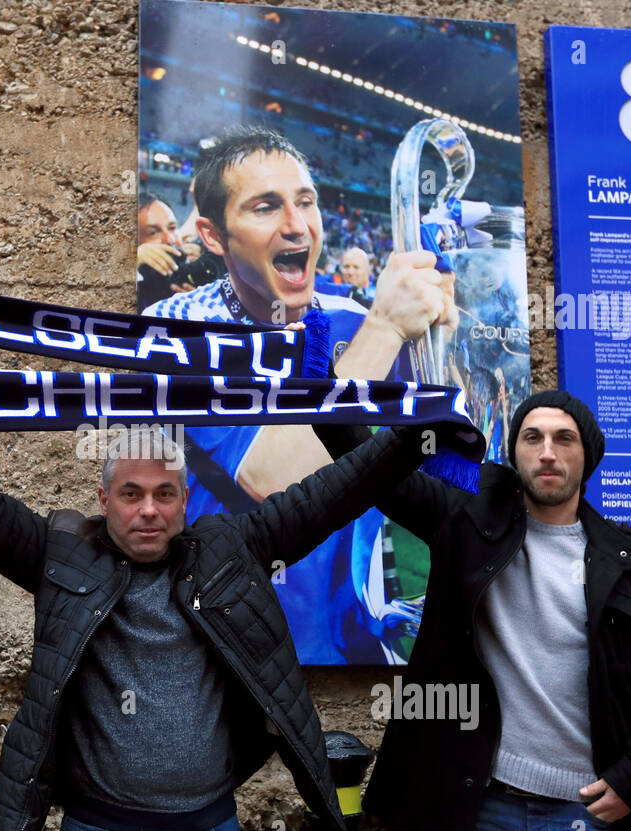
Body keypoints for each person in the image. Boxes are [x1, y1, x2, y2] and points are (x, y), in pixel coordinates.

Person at [0, 364, 434, 831]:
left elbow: (329, 494)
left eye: (165, 495)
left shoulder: (229, 553)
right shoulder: (61, 558)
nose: (148, 510)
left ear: (185, 501)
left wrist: (414, 433)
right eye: (131, 493)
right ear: (104, 496)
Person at [315, 390, 631, 831]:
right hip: (484, 807)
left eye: (565, 439)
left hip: (588, 811)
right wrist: (319, 385)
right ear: (513, 452)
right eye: (531, 438)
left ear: (589, 456)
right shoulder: (469, 524)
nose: (547, 453)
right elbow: (378, 477)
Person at [142, 127, 451, 664]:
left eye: (305, 201)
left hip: (351, 642)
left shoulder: (349, 321)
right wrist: (384, 332)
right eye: (266, 207)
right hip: (223, 649)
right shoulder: (175, 330)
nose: (296, 225)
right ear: (214, 237)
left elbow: (443, 450)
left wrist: (448, 340)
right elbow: (271, 481)